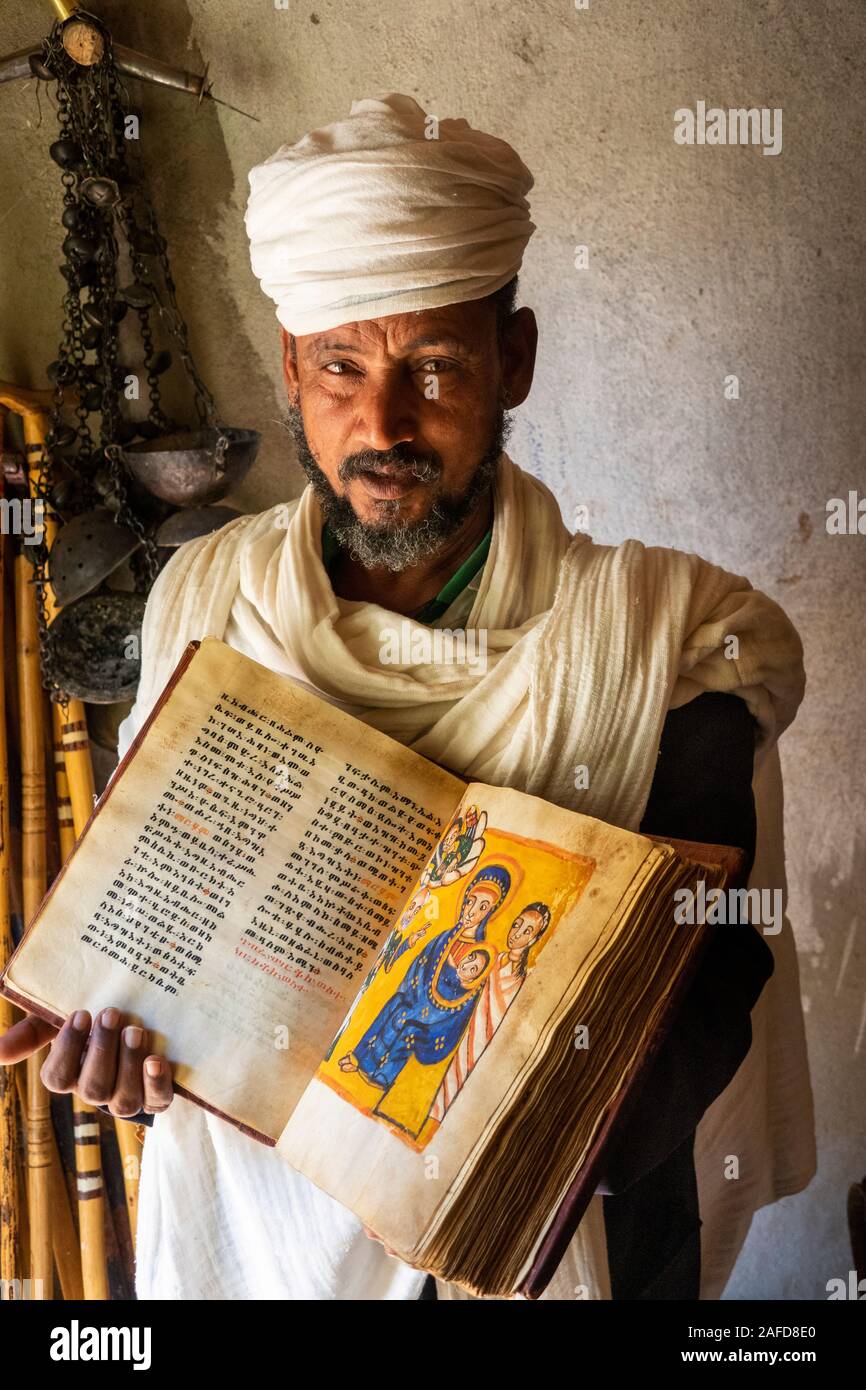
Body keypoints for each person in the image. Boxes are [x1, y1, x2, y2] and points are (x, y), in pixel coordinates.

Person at [0, 92, 815, 1301]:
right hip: (251, 1238)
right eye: (339, 367)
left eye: (432, 365)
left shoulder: (669, 645)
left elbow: (703, 994)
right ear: (289, 370)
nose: (379, 425)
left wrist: (506, 1167)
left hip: (546, 1242)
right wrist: (123, 1047)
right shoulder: (205, 606)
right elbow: (167, 953)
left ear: (515, 360)